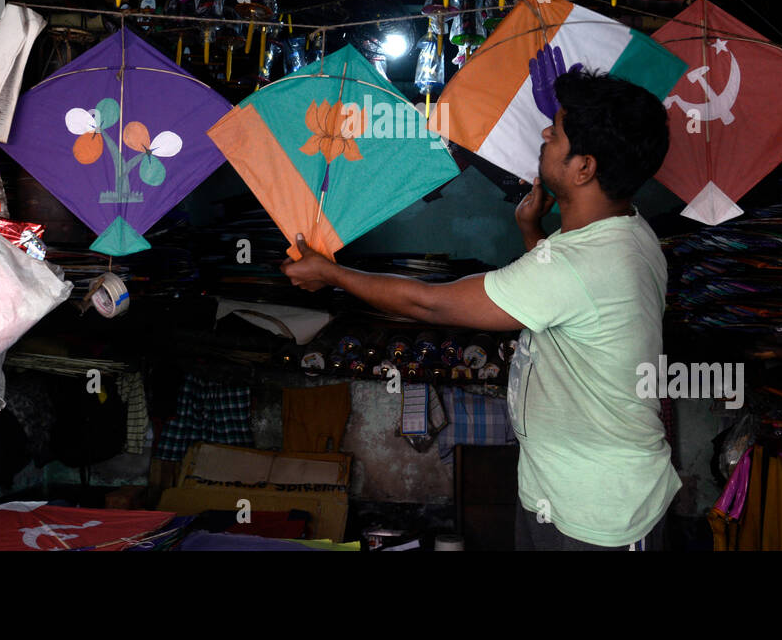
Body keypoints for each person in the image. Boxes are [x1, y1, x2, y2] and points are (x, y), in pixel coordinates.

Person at [281, 68, 681, 550]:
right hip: (562, 492)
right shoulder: (628, 232)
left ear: (584, 168)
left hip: (602, 512)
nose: (545, 134)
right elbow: (563, 301)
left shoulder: (581, 263)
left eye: (558, 132)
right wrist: (532, 231)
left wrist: (331, 274)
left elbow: (429, 304)